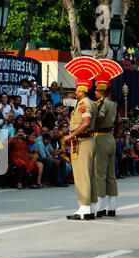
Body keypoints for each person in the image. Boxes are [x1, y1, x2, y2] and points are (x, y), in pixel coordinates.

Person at [64, 57, 103, 220]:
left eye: (77, 90)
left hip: (82, 141)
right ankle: (91, 206)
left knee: (82, 175)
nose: (75, 92)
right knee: (90, 175)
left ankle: (84, 208)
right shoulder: (93, 103)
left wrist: (72, 134)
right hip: (89, 140)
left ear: (81, 90)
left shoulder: (83, 104)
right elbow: (97, 120)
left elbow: (86, 122)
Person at [93, 59, 123, 218]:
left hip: (101, 138)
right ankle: (112, 207)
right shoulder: (114, 104)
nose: (95, 92)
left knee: (100, 174)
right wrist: (116, 135)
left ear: (101, 90)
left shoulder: (102, 104)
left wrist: (94, 127)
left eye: (96, 89)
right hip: (111, 138)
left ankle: (99, 207)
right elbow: (118, 123)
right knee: (111, 174)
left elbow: (100, 118)